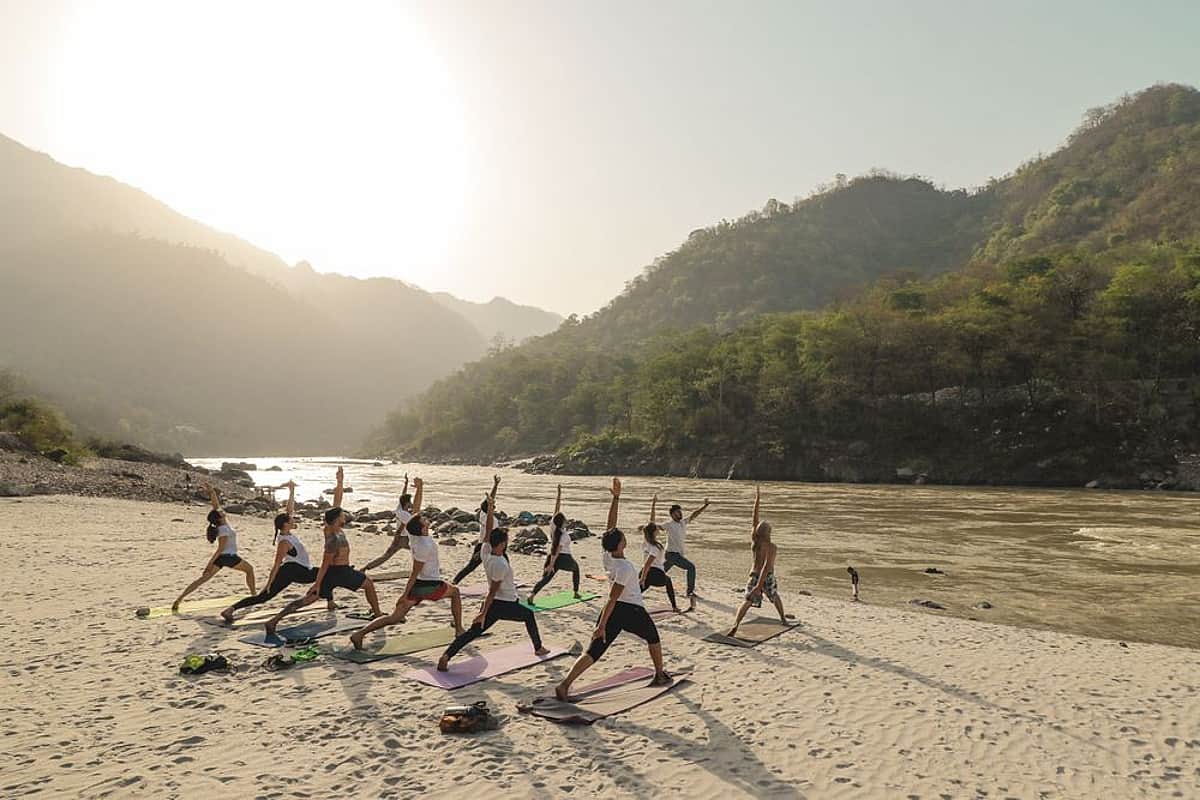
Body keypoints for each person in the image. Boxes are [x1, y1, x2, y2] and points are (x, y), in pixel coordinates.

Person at [554, 477, 672, 701]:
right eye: (624, 538)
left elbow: (610, 526)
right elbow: (612, 597)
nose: (625, 537)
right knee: (653, 638)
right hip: (629, 610)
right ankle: (658, 674)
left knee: (594, 651)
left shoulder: (607, 557)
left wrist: (616, 498)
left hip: (615, 612)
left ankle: (565, 684)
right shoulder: (625, 567)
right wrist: (600, 626)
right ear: (621, 545)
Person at [263, 467, 382, 638]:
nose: (345, 516)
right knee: (369, 584)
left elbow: (337, 504)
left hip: (335, 573)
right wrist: (317, 583)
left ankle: (274, 621)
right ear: (337, 519)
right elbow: (325, 562)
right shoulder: (331, 534)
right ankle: (377, 614)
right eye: (343, 515)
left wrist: (340, 482)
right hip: (341, 572)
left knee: (307, 600)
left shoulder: (337, 528)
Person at [349, 476, 464, 649]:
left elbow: (416, 512)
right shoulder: (423, 545)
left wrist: (420, 487)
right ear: (422, 527)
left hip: (419, 586)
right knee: (455, 592)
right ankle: (459, 629)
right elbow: (414, 572)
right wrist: (404, 594)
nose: (425, 519)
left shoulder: (414, 535)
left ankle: (359, 634)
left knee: (394, 618)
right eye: (424, 520)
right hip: (428, 585)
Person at [436, 520, 549, 671]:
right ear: (502, 544)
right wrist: (483, 613)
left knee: (473, 632)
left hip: (495, 604)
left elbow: (487, 534)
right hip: (504, 604)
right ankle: (539, 648)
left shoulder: (485, 553)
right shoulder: (500, 564)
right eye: (506, 542)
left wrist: (490, 507)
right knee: (528, 615)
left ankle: (446, 656)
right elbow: (492, 591)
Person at [219, 481, 335, 623]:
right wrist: (269, 583)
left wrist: (291, 491)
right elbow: (276, 563)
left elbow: (289, 510)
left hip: (298, 569)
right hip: (293, 571)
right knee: (264, 597)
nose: (294, 519)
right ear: (286, 524)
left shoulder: (287, 532)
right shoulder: (284, 542)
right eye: (291, 519)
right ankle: (230, 609)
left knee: (327, 573)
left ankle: (330, 601)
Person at [172, 483, 256, 611]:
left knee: (202, 580)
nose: (223, 511)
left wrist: (212, 492)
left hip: (223, 558)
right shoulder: (223, 530)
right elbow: (220, 550)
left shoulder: (223, 524)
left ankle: (179, 599)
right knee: (250, 570)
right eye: (221, 513)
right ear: (219, 517)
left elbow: (216, 506)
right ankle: (254, 596)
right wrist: (209, 564)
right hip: (228, 557)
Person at [727, 486, 787, 636]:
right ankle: (783, 619)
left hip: (754, 574)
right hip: (765, 577)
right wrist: (759, 587)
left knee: (747, 600)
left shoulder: (755, 541)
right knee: (774, 596)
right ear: (769, 533)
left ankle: (736, 624)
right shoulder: (771, 547)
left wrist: (757, 499)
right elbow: (767, 568)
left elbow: (754, 519)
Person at [526, 484, 581, 604]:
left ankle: (532, 595)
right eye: (565, 520)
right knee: (576, 569)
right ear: (562, 522)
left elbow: (556, 511)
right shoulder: (563, 535)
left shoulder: (553, 527)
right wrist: (552, 564)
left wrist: (559, 495)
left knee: (546, 578)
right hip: (563, 557)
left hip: (551, 556)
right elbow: (557, 549)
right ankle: (576, 592)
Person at [640, 494, 691, 612]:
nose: (659, 529)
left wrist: (654, 503)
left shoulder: (645, 541)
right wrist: (642, 578)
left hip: (645, 571)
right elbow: (648, 563)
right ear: (654, 532)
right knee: (668, 582)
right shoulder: (655, 546)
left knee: (640, 589)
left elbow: (651, 522)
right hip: (655, 572)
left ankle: (628, 601)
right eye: (657, 529)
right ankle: (674, 607)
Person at [362, 473, 414, 572]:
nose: (411, 503)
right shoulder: (404, 514)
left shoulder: (400, 509)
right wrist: (396, 540)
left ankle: (365, 568)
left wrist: (406, 484)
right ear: (407, 503)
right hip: (402, 539)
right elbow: (401, 528)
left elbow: (402, 496)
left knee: (386, 556)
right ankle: (366, 568)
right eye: (410, 502)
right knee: (420, 551)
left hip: (405, 539)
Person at [661, 496, 709, 598]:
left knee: (659, 572)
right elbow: (656, 527)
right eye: (677, 512)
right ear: (672, 514)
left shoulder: (683, 522)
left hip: (674, 554)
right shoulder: (669, 524)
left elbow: (694, 514)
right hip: (672, 554)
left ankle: (642, 579)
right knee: (691, 567)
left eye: (680, 511)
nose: (680, 513)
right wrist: (644, 527)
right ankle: (690, 592)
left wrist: (705, 506)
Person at [452, 484, 500, 584]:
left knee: (504, 562)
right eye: (492, 504)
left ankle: (455, 581)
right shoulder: (488, 519)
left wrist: (495, 485)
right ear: (489, 508)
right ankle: (455, 581)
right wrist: (481, 551)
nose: (494, 504)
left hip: (489, 545)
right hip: (486, 545)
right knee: (471, 566)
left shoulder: (483, 513)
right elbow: (488, 534)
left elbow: (491, 498)